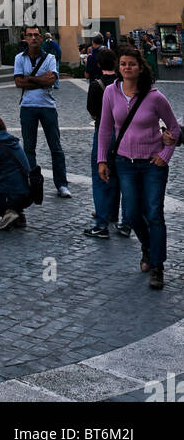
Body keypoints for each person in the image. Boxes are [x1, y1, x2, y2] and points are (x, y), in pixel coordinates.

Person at [97, 45, 179, 290]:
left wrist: (165, 155)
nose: (127, 67)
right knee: (131, 214)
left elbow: (174, 129)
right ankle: (148, 246)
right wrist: (102, 160)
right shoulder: (111, 93)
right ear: (119, 67)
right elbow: (105, 128)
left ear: (140, 67)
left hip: (153, 164)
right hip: (125, 163)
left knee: (154, 213)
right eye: (123, 64)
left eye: (131, 64)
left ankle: (157, 266)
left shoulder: (155, 97)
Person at [14, 26, 71, 198]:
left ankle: (61, 184)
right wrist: (40, 80)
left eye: (36, 35)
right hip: (27, 106)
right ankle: (32, 182)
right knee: (29, 148)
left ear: (40, 38)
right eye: (29, 35)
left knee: (56, 148)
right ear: (25, 38)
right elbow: (18, 83)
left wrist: (29, 78)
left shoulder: (50, 58)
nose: (33, 38)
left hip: (48, 106)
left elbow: (52, 80)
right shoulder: (19, 58)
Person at [84, 49, 129, 239]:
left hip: (103, 133)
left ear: (99, 65)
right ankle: (125, 222)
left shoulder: (97, 86)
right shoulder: (123, 85)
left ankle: (102, 222)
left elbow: (92, 112)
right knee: (123, 177)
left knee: (100, 176)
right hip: (123, 135)